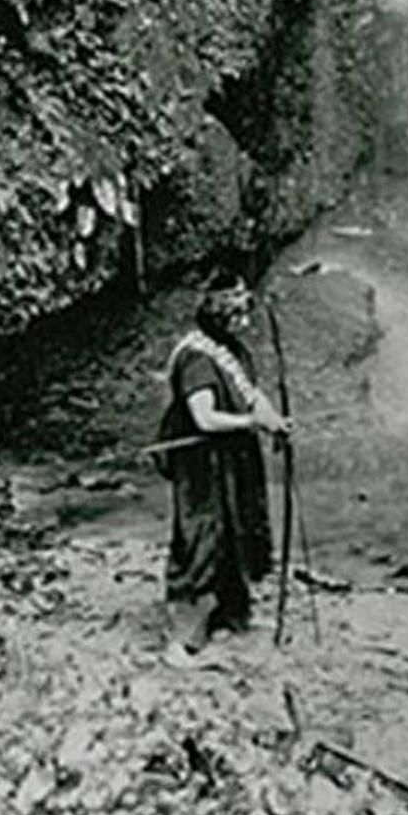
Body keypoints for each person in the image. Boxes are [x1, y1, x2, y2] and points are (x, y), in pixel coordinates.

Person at [161, 262, 289, 664]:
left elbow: (251, 393)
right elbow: (204, 417)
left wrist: (273, 420)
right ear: (219, 314)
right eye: (237, 314)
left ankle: (230, 615)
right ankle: (182, 640)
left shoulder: (232, 349)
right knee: (203, 538)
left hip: (231, 461)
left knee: (235, 531)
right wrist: (253, 422)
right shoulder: (197, 357)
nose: (245, 321)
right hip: (201, 466)